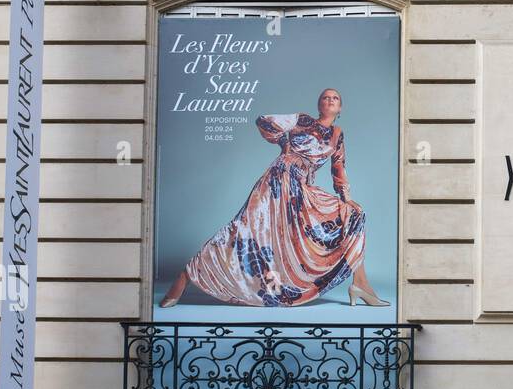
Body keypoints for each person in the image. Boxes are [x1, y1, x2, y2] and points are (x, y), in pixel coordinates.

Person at [160, 88, 388, 309]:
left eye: (335, 98)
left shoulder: (337, 134)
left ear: (340, 108)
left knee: (353, 215)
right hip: (278, 179)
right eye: (325, 97)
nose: (330, 100)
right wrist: (284, 143)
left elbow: (338, 168)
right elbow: (265, 121)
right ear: (319, 104)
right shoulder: (303, 120)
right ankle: (186, 275)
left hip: (301, 187)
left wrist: (346, 197)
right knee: (246, 229)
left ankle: (360, 284)